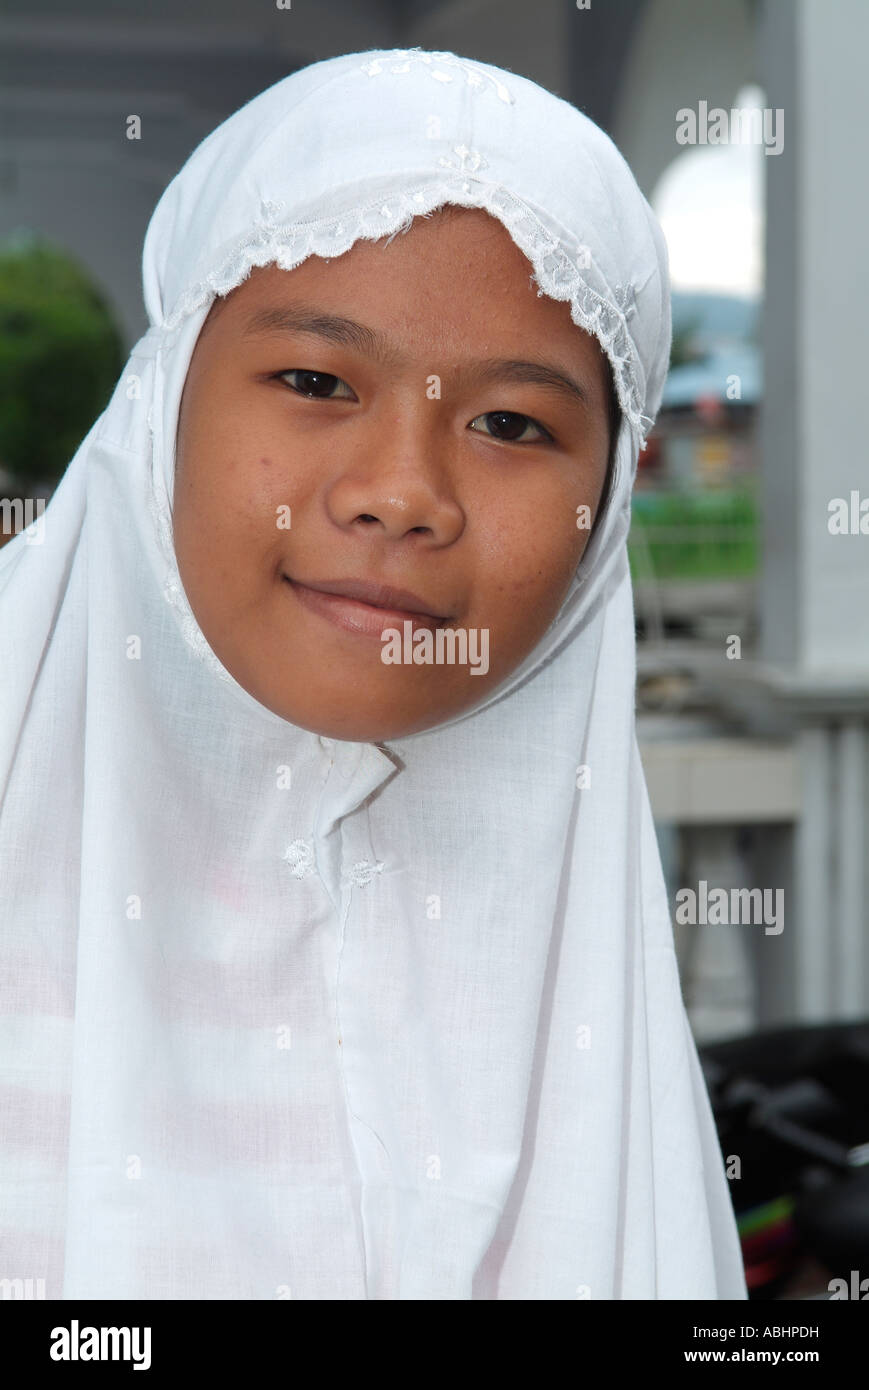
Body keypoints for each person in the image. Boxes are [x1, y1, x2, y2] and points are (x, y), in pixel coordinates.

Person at [0, 46, 747, 1299]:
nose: (400, 492)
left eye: (510, 424)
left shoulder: (580, 987)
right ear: (163, 403)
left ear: (605, 506)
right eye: (312, 380)